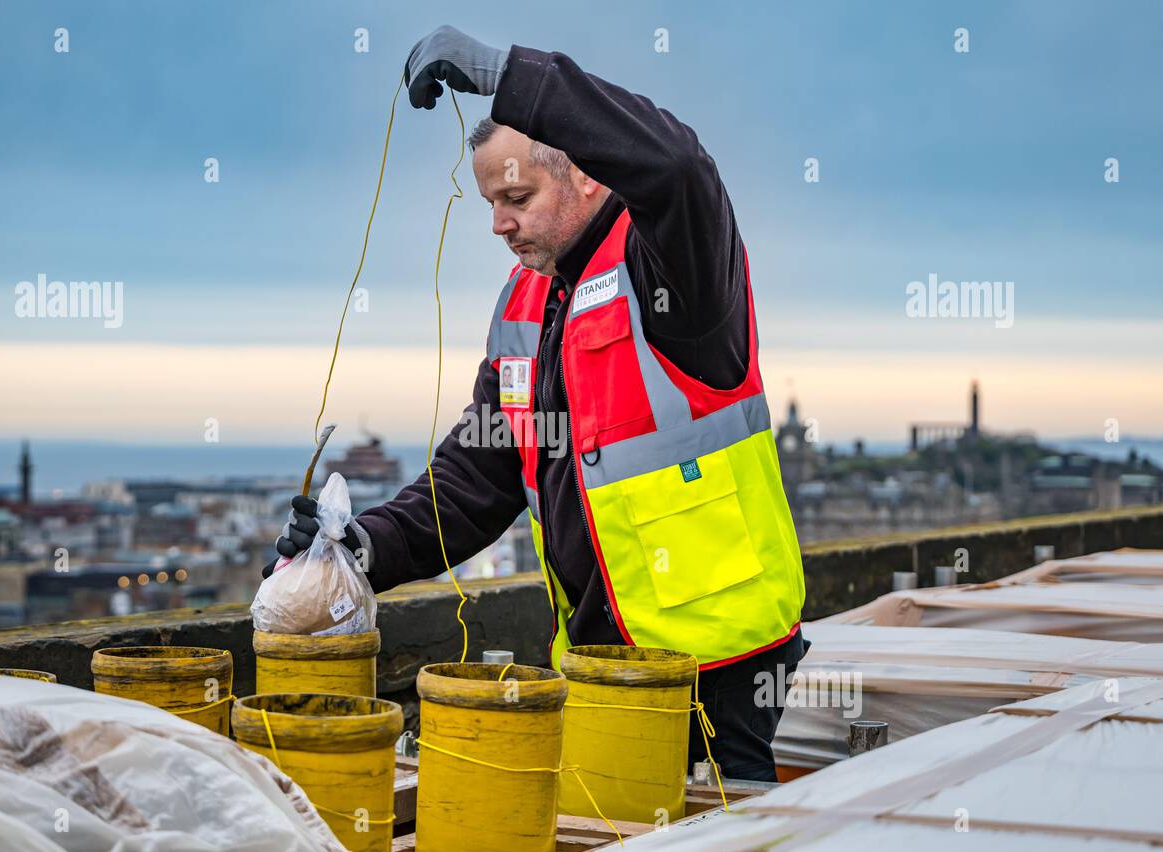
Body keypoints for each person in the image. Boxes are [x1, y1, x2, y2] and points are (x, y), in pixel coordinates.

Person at [266, 26, 809, 782]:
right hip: (602, 663)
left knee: (717, 838)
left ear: (587, 174)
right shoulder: (526, 305)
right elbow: (475, 480)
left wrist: (508, 75)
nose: (499, 222)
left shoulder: (674, 273)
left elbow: (678, 166)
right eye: (492, 201)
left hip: (719, 664)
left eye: (516, 196)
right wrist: (358, 549)